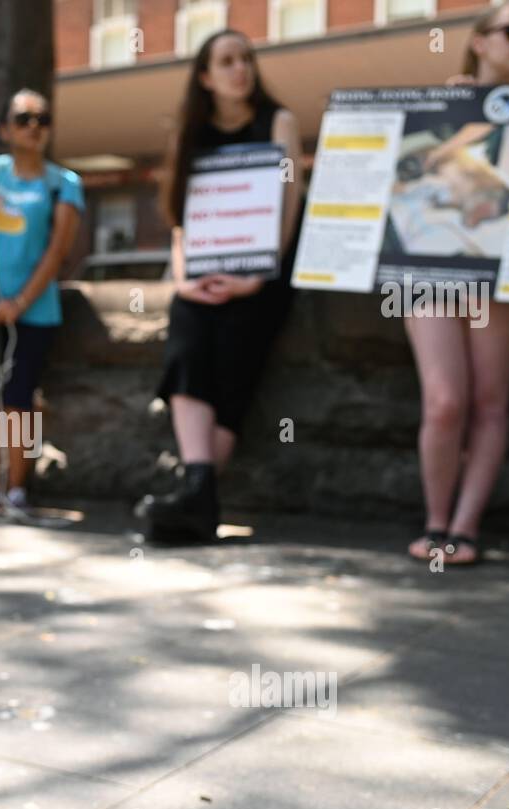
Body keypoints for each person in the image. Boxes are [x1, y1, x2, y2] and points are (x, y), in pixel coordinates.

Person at [136, 30, 303, 543]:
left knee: (234, 354)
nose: (241, 69)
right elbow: (184, 219)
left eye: (247, 59)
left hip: (266, 274)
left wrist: (255, 276)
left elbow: (290, 204)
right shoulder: (194, 135)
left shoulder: (279, 122)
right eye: (227, 61)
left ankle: (195, 497)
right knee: (188, 336)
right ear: (205, 77)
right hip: (204, 270)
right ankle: (201, 496)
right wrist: (184, 279)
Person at [404, 1, 509, 566]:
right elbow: (419, 171)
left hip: (507, 269)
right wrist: (462, 114)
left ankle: (464, 529)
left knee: (488, 400)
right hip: (434, 262)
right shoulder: (440, 109)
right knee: (443, 401)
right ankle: (435, 522)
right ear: (480, 41)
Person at [0, 88, 85, 520]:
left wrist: (18, 303)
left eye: (42, 119)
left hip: (35, 311)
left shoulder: (64, 184)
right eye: (23, 119)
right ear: (6, 130)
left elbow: (57, 253)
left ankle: (16, 491)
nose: (34, 127)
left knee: (19, 401)